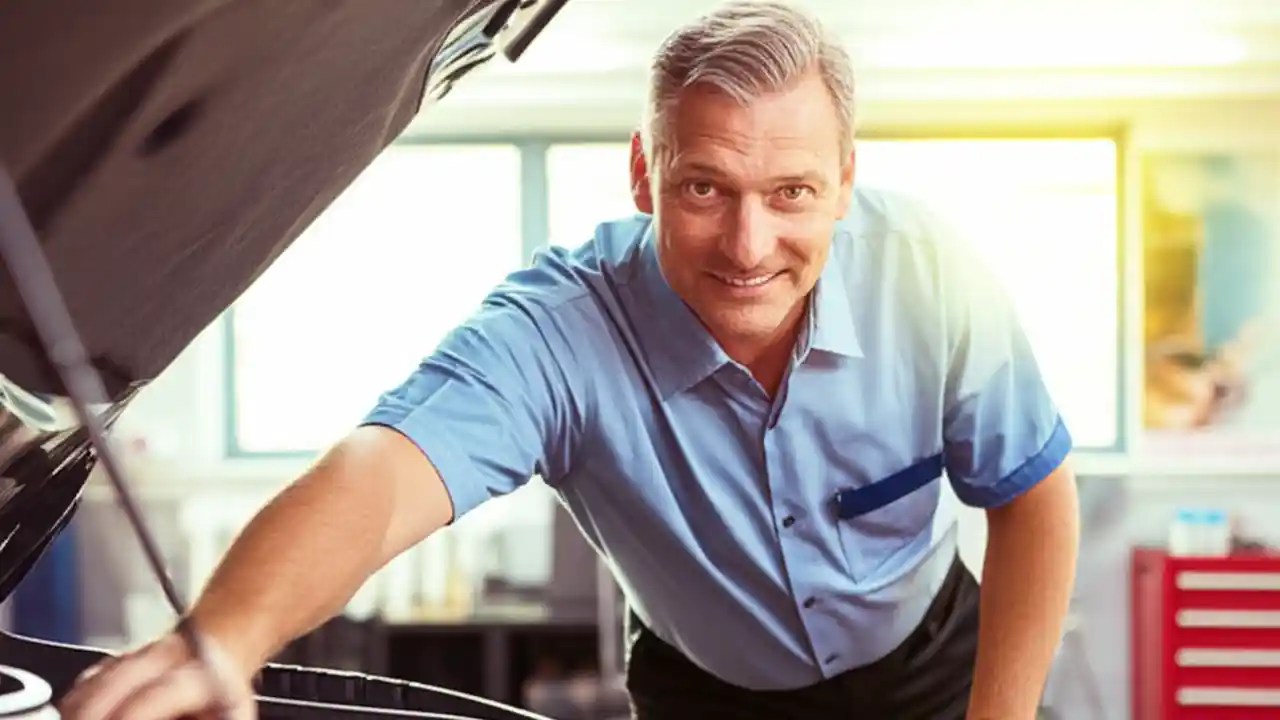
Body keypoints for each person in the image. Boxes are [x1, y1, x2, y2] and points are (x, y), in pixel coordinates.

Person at [60, 1, 1080, 718]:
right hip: (707, 694)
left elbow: (1031, 495)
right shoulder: (560, 329)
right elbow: (384, 474)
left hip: (932, 664)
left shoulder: (931, 275)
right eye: (704, 188)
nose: (747, 245)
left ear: (845, 183)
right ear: (643, 173)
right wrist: (227, 635)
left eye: (791, 194)